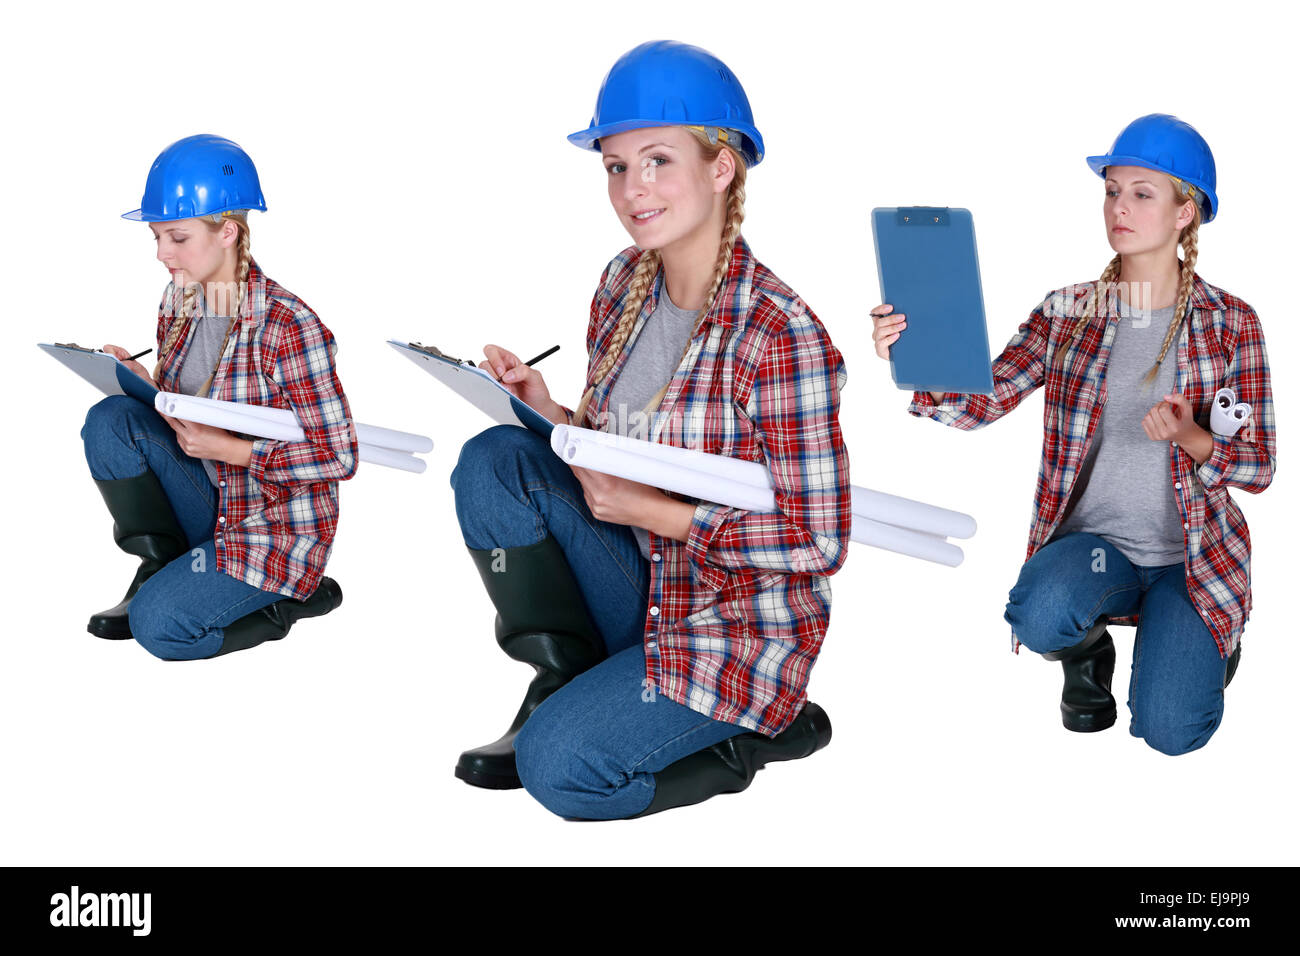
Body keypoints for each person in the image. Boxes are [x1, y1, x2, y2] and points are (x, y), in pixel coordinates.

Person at [449, 40, 853, 819]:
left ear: (721, 168)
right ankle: (562, 679)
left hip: (731, 622)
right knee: (497, 459)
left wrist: (658, 514)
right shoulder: (622, 281)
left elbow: (818, 540)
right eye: (616, 166)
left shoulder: (780, 333)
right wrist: (552, 411)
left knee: (559, 770)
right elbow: (615, 445)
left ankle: (759, 733)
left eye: (659, 161)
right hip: (635, 584)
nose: (634, 189)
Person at [870, 114, 1275, 755]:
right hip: (1097, 550)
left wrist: (1194, 437)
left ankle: (1202, 648)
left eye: (1143, 193)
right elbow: (983, 400)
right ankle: (1088, 656)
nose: (1119, 206)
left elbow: (1259, 468)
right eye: (1112, 189)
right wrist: (916, 362)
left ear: (1185, 213)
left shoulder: (1231, 323)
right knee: (1039, 612)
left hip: (1190, 561)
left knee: (1171, 731)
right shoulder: (1069, 312)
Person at [82, 134, 359, 660]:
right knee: (112, 418)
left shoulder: (288, 324)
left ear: (228, 231)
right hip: (206, 499)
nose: (162, 254)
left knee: (158, 628)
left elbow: (339, 456)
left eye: (178, 238)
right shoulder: (180, 298)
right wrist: (142, 380)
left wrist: (235, 451)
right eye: (157, 237)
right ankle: (159, 565)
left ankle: (291, 601)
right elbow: (190, 406)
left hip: (267, 525)